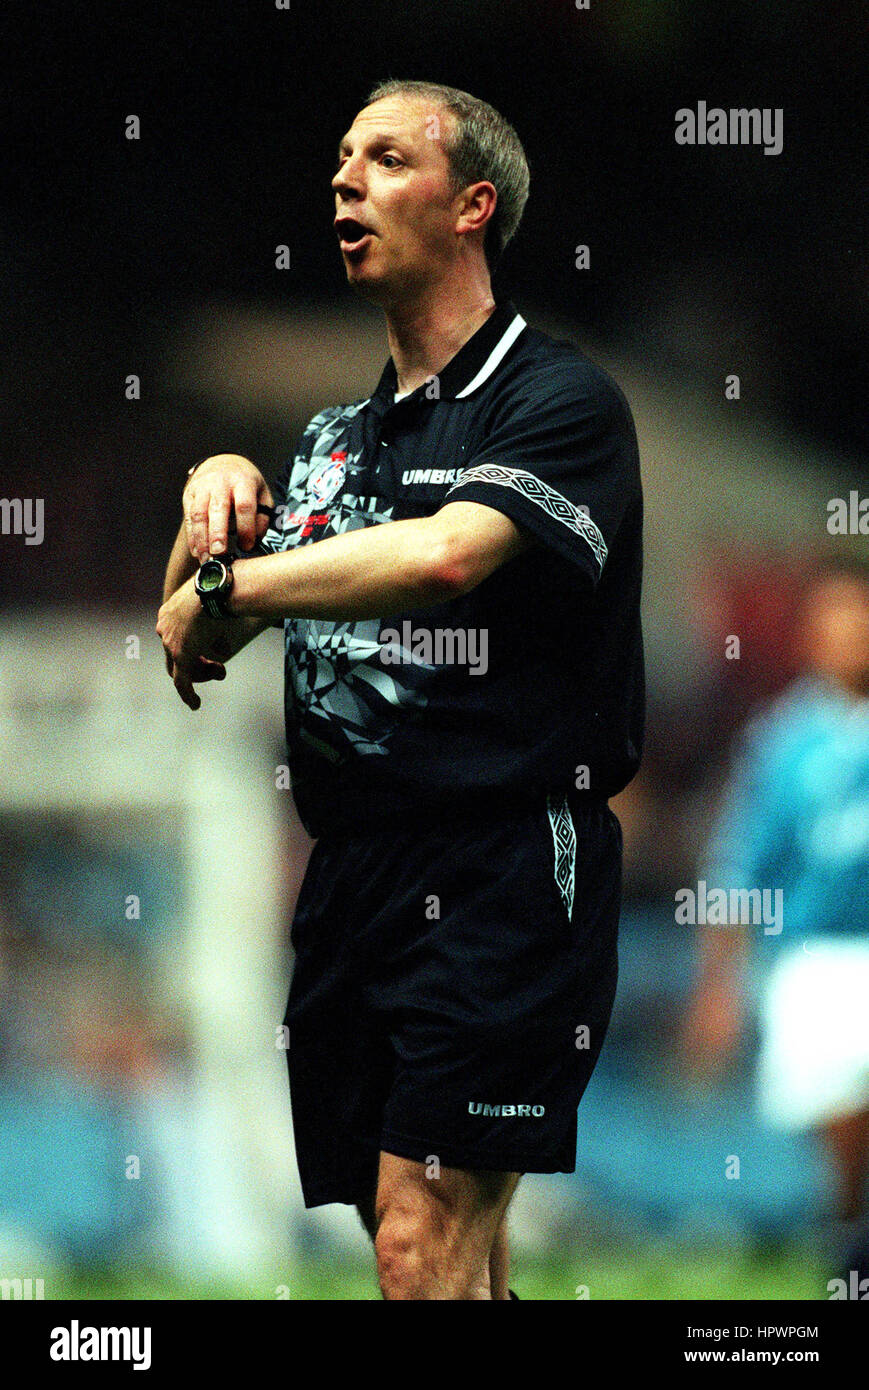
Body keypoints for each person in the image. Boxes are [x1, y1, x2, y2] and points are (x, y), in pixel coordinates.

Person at [157, 79, 644, 1300]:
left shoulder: (553, 400)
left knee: (416, 1243)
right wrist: (208, 494)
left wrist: (231, 585)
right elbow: (193, 638)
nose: (342, 179)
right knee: (449, 1263)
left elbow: (441, 555)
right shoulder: (333, 440)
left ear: (471, 204)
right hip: (353, 882)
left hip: (499, 865)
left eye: (382, 157)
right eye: (338, 158)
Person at [681, 562, 869, 1276]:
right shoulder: (783, 742)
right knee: (842, 1130)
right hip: (815, 966)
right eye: (833, 618)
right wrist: (715, 989)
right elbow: (735, 869)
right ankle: (846, 1254)